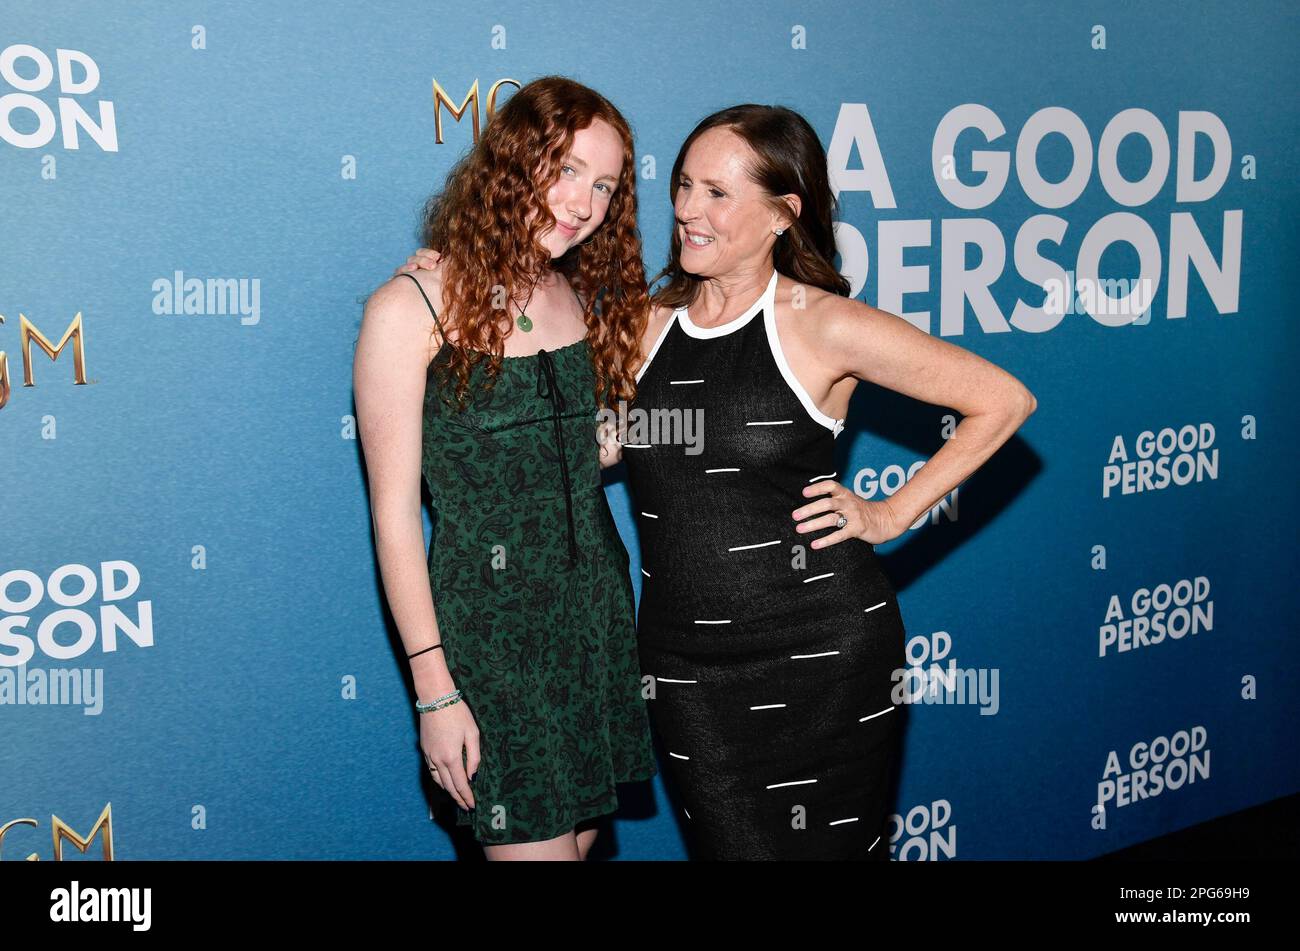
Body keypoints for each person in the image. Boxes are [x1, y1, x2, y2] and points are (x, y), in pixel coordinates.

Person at [400, 102, 1037, 861]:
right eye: (684, 186)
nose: (688, 211)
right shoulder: (645, 323)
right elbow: (579, 442)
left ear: (781, 215)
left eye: (718, 194)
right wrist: (448, 281)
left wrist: (892, 512)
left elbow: (1003, 400)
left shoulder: (822, 322)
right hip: (684, 669)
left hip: (823, 656)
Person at [354, 75, 655, 861]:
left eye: (604, 186)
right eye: (564, 170)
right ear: (513, 161)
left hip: (594, 616)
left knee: (582, 842)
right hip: (493, 638)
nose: (582, 203)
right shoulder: (408, 309)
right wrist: (436, 689)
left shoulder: (575, 292)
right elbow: (392, 514)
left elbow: (586, 447)